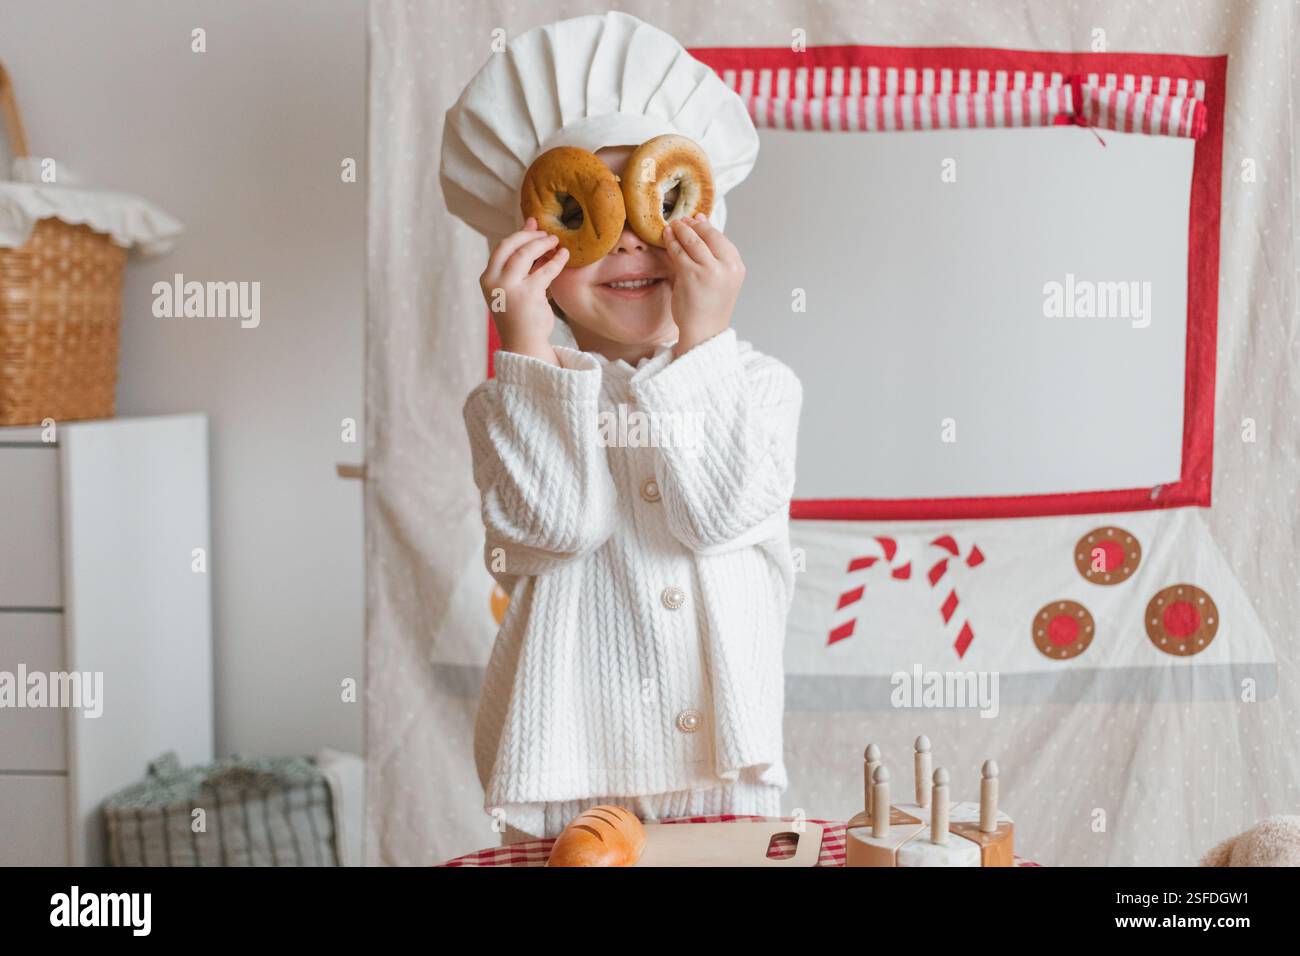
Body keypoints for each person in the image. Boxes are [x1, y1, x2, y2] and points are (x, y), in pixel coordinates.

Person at [442, 11, 803, 844]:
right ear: (531, 245)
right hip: (568, 772)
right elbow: (556, 527)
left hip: (722, 763)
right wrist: (524, 344)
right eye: (584, 217)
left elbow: (718, 515)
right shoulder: (511, 400)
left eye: (659, 209)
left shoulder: (757, 386)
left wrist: (705, 341)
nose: (631, 246)